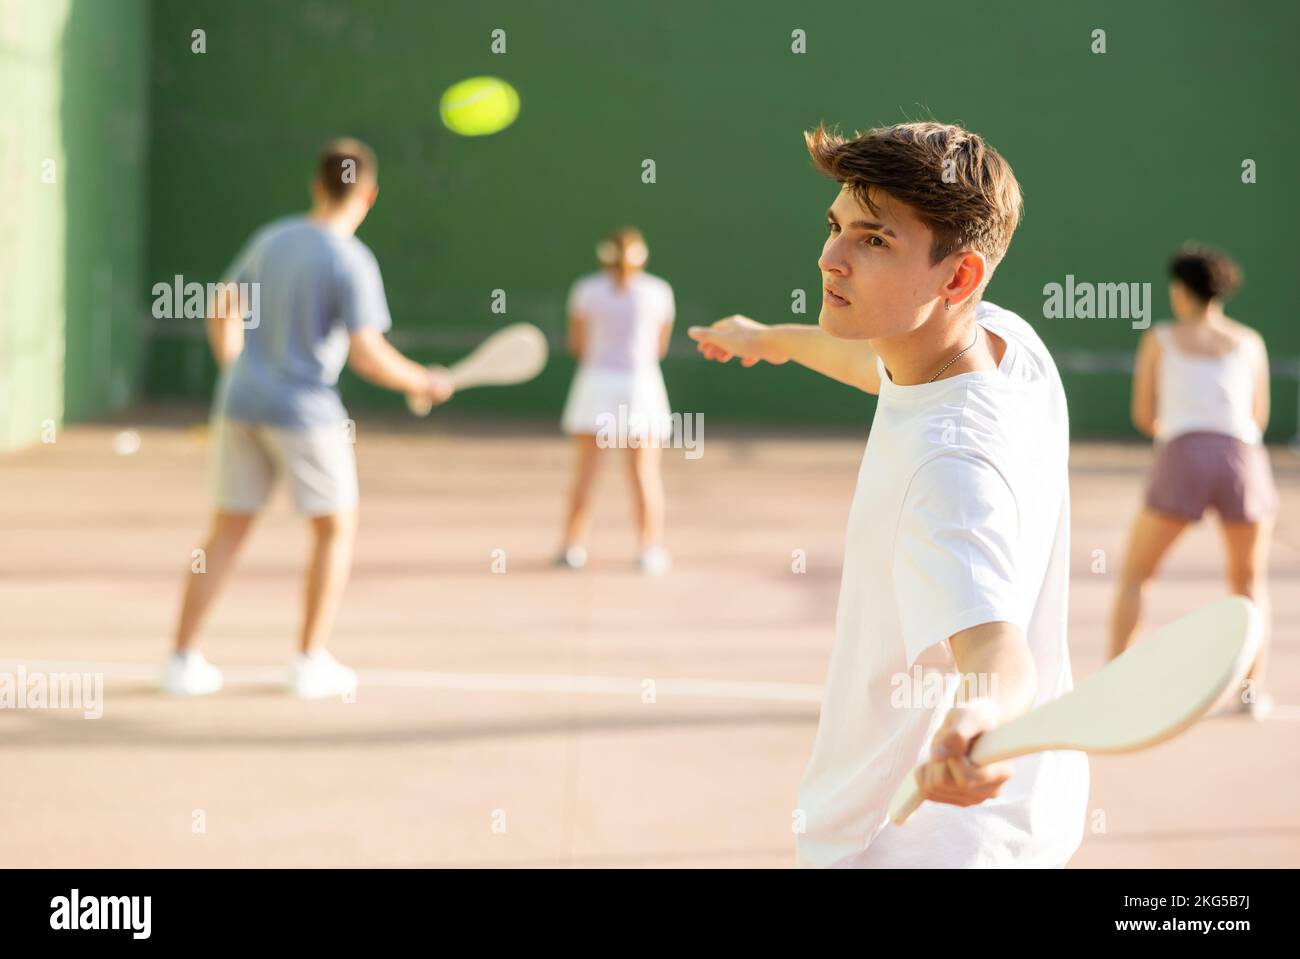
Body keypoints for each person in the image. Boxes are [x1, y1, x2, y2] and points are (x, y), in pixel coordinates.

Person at [689, 121, 1089, 867]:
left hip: (911, 839)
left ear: (958, 277)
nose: (829, 258)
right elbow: (882, 368)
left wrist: (978, 714)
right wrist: (769, 337)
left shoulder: (949, 471)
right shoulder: (1006, 346)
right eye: (835, 226)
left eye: (874, 241)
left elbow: (998, 651)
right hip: (1028, 814)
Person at [163, 138, 454, 699]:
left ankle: (180, 660)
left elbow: (222, 306)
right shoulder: (350, 259)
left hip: (240, 403)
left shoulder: (271, 239)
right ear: (368, 194)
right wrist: (423, 380)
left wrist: (236, 370)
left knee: (227, 528)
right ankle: (308, 660)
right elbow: (368, 353)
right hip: (305, 413)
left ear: (318, 185)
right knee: (334, 527)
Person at [1110, 245, 1277, 719]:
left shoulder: (1159, 338)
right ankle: (1250, 692)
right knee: (1249, 583)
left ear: (1181, 291)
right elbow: (1257, 416)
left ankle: (1114, 683)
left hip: (1182, 454)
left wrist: (1184, 443)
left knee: (1136, 576)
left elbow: (1145, 415)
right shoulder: (1251, 341)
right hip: (1243, 459)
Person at [557, 227, 675, 575]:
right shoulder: (652, 292)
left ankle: (576, 547)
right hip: (614, 386)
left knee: (613, 473)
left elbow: (577, 343)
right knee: (627, 473)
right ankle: (639, 549)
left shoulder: (591, 290)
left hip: (629, 387)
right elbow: (660, 347)